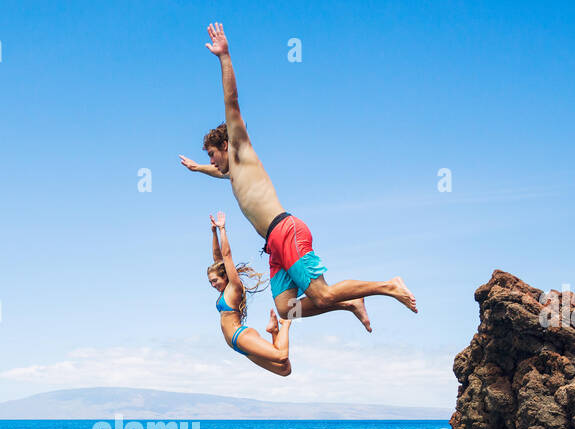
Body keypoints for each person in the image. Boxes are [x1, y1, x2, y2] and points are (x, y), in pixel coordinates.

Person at [179, 22, 419, 333]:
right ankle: (350, 303)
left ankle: (388, 286)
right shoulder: (233, 173)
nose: (212, 161)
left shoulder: (241, 152)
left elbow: (232, 103)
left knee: (323, 293)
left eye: (212, 154)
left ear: (225, 145)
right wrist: (199, 168)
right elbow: (218, 171)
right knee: (287, 309)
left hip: (286, 230)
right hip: (274, 244)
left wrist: (224, 57)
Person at [209, 212, 292, 376]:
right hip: (236, 344)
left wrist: (223, 229)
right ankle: (274, 331)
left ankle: (286, 324)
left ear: (225, 276)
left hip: (240, 337)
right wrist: (213, 232)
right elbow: (218, 257)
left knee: (281, 356)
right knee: (284, 370)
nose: (213, 285)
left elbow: (226, 256)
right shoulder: (224, 290)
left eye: (214, 281)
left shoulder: (234, 286)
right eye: (210, 282)